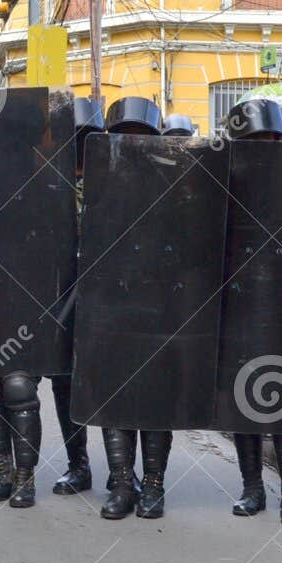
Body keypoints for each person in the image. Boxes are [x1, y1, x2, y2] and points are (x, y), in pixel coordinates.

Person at [222, 98, 282, 526]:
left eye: (266, 139)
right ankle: (252, 487)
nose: (260, 147)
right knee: (246, 399)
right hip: (240, 304)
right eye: (250, 140)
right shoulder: (223, 182)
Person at [96, 96, 171, 519]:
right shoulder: (95, 186)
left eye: (141, 136)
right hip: (108, 309)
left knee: (155, 400)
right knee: (113, 397)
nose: (133, 144)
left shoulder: (175, 183)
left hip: (159, 308)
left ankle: (155, 485)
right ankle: (123, 482)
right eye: (125, 136)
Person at [52, 95, 102, 496]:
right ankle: (78, 464)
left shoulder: (114, 181)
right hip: (62, 295)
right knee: (65, 381)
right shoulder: (53, 186)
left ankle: (124, 471)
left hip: (107, 298)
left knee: (114, 380)